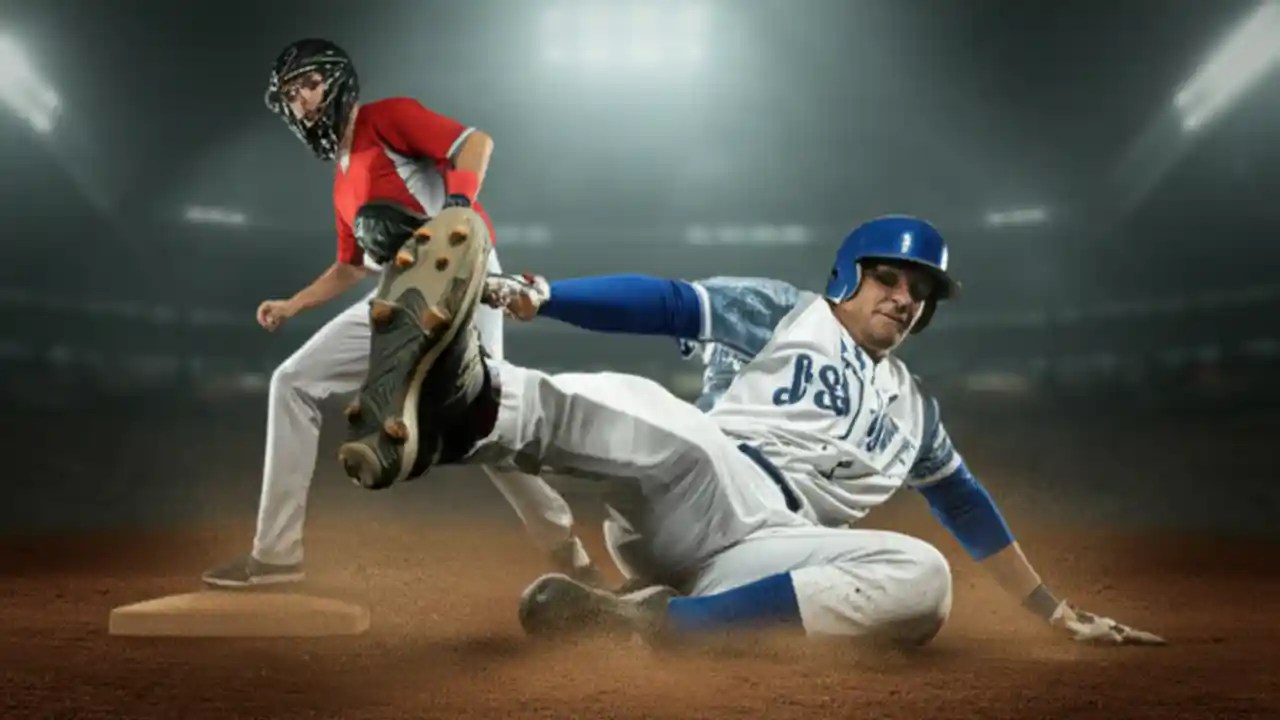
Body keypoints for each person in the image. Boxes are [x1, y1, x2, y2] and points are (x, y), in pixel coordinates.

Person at [340, 206, 1164, 647]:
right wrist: (545, 297)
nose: (904, 299)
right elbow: (668, 303)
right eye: (888, 279)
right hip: (700, 485)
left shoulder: (918, 413)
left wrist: (1054, 612)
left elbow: (969, 510)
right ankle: (468, 407)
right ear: (849, 274)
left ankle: (651, 624)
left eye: (920, 293)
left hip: (766, 555)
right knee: (671, 425)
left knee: (925, 579)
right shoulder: (788, 312)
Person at [200, 38, 598, 588]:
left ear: (337, 81)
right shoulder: (341, 182)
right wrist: (294, 304)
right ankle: (275, 556)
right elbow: (351, 267)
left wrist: (457, 210)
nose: (302, 103)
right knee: (292, 382)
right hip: (397, 292)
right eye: (291, 96)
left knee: (480, 424)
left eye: (308, 85)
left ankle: (568, 551)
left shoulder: (386, 118)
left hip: (463, 278)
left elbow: (474, 143)